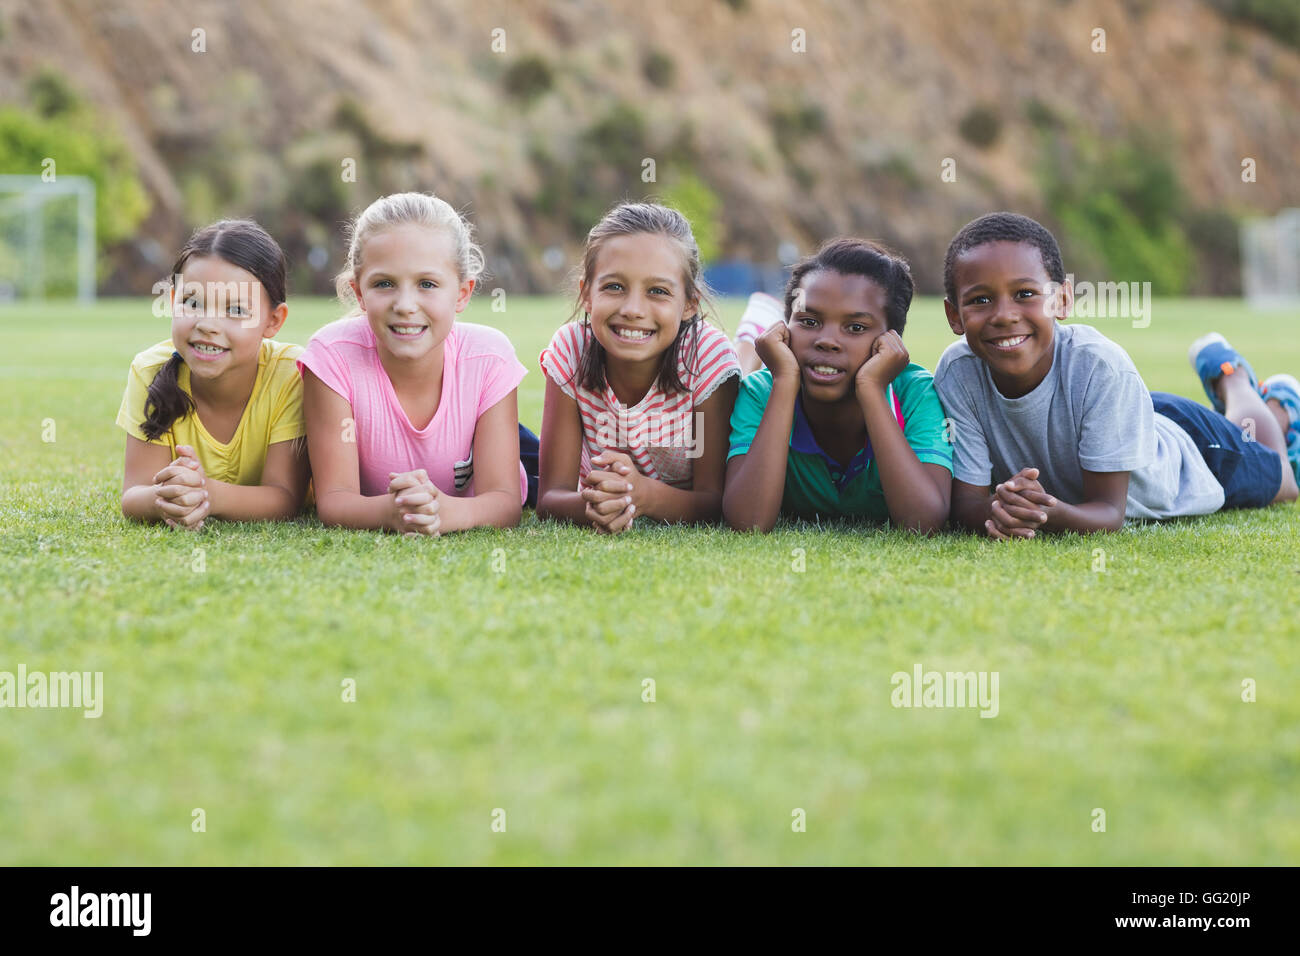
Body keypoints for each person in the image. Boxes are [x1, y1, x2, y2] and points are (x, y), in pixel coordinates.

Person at [935, 211, 1298, 540]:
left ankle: (1238, 379)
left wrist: (1043, 511)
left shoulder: (1098, 365)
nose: (1003, 315)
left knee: (1283, 478)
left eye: (1025, 293)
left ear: (1062, 300)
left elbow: (1109, 512)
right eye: (980, 300)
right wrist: (1000, 512)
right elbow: (968, 504)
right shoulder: (957, 373)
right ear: (954, 315)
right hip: (1115, 419)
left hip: (1191, 448)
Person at [300, 192, 534, 536]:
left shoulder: (489, 357)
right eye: (384, 284)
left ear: (463, 293)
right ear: (359, 293)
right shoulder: (332, 356)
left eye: (427, 284)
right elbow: (335, 500)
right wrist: (392, 511)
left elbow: (503, 500)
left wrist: (448, 512)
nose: (405, 305)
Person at [723, 238, 953, 533]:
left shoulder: (915, 396)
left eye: (856, 328)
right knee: (740, 371)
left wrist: (871, 389)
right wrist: (784, 382)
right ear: (785, 327)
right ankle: (748, 340)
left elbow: (922, 523)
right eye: (808, 321)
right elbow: (748, 522)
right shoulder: (763, 392)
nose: (827, 341)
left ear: (890, 341)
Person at [537, 202, 740, 533]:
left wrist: (643, 496)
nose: (632, 309)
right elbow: (550, 499)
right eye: (614, 286)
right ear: (587, 294)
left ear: (690, 303)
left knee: (745, 359)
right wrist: (597, 505)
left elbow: (715, 502)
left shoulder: (707, 358)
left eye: (657, 291)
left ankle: (751, 337)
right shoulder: (571, 349)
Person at [118, 220, 308, 529]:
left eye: (234, 311)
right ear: (172, 302)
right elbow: (134, 494)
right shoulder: (149, 370)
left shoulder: (290, 374)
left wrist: (208, 494)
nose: (207, 324)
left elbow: (284, 498)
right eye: (192, 303)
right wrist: (170, 497)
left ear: (274, 320)